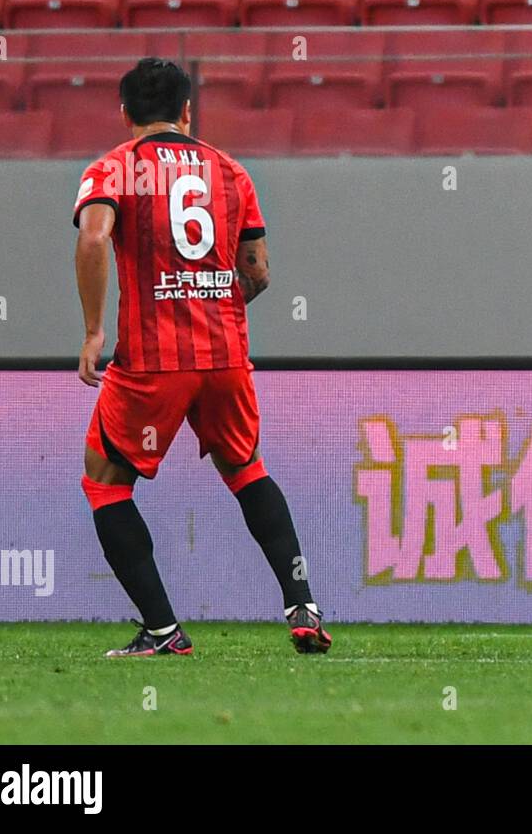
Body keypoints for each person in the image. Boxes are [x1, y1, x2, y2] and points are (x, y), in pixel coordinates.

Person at [74, 58, 331, 657]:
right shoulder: (230, 171)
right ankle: (303, 605)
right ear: (188, 112)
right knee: (247, 470)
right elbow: (258, 272)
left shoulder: (114, 167)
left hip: (152, 361)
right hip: (224, 354)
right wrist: (210, 301)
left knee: (105, 483)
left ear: (124, 113)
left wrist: (92, 332)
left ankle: (163, 631)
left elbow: (92, 236)